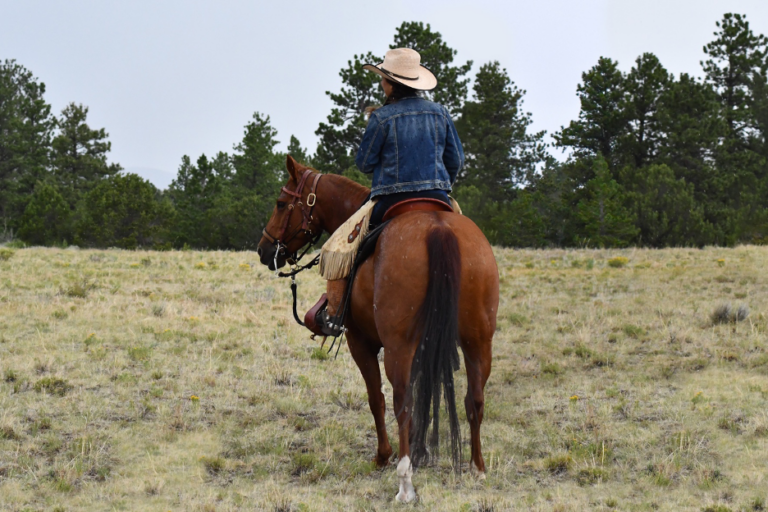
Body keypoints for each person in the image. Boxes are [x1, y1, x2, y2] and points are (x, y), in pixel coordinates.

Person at [307, 47, 464, 337]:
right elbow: (456, 161)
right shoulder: (440, 113)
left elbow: (364, 163)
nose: (381, 83)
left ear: (392, 83)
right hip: (438, 197)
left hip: (391, 200)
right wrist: (440, 186)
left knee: (340, 246)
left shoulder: (382, 118)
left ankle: (335, 314)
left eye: (383, 79)